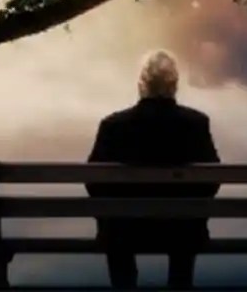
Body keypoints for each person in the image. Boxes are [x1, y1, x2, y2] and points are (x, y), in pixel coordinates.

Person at [86, 49, 220, 289]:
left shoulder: (113, 126)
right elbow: (212, 181)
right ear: (175, 85)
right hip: (182, 231)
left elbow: (93, 181)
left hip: (123, 232)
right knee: (186, 229)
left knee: (116, 231)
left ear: (141, 85)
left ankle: (124, 286)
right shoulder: (196, 124)